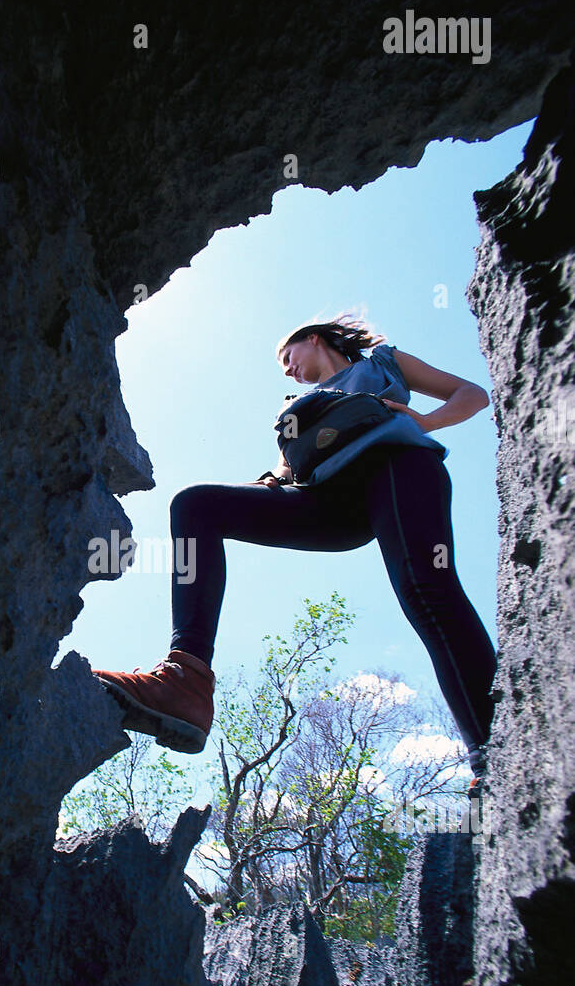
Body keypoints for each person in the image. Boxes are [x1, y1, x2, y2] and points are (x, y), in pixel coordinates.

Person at [92, 315, 498, 799]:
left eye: (289, 357)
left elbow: (472, 392)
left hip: (397, 468)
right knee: (196, 505)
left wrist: (426, 421)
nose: (287, 370)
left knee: (425, 590)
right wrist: (262, 484)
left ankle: (493, 750)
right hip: (330, 501)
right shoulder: (295, 409)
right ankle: (186, 682)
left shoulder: (383, 363)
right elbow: (286, 471)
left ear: (312, 338)